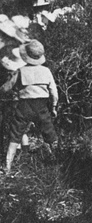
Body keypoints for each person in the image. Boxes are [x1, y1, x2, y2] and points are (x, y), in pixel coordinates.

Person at [3, 40, 59, 173]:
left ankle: (7, 166)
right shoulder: (46, 71)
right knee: (50, 134)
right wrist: (54, 107)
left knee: (15, 136)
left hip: (24, 106)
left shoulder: (20, 71)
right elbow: (54, 92)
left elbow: (6, 88)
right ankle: (58, 161)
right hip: (42, 106)